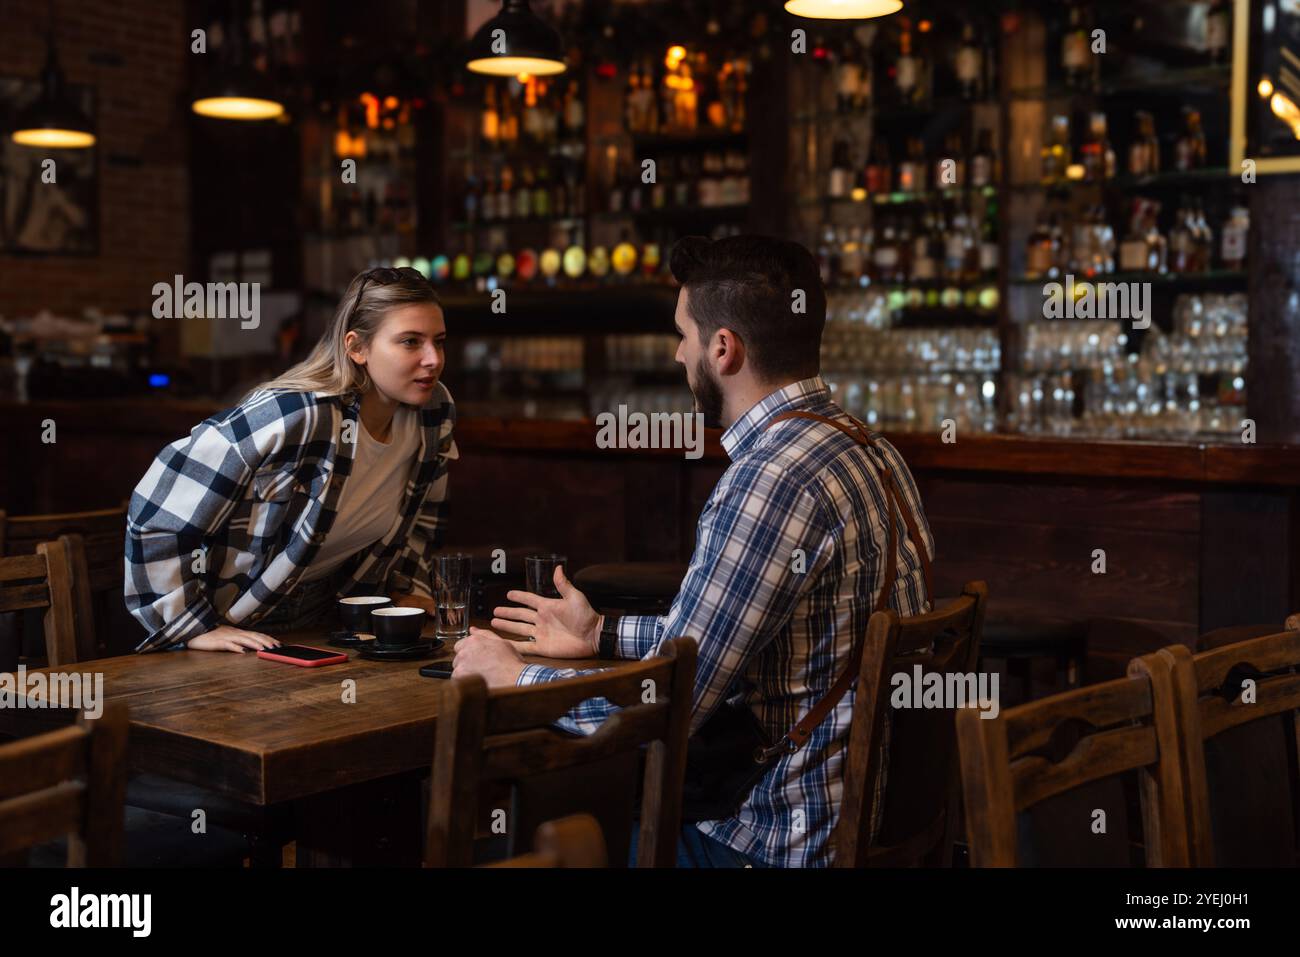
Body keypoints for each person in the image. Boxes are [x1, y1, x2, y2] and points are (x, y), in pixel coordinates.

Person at [453, 235, 933, 867]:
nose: (679, 353)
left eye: (683, 335)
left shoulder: (771, 481)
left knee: (535, 845)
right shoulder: (868, 448)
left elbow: (668, 707)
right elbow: (722, 639)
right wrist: (600, 632)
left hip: (775, 843)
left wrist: (518, 678)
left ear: (723, 348)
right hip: (872, 830)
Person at [126, 266, 456, 653]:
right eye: (411, 342)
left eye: (439, 341)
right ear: (357, 348)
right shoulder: (297, 414)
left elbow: (422, 517)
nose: (433, 359)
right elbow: (158, 514)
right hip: (237, 619)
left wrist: (405, 589)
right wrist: (190, 626)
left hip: (335, 617)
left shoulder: (434, 411)